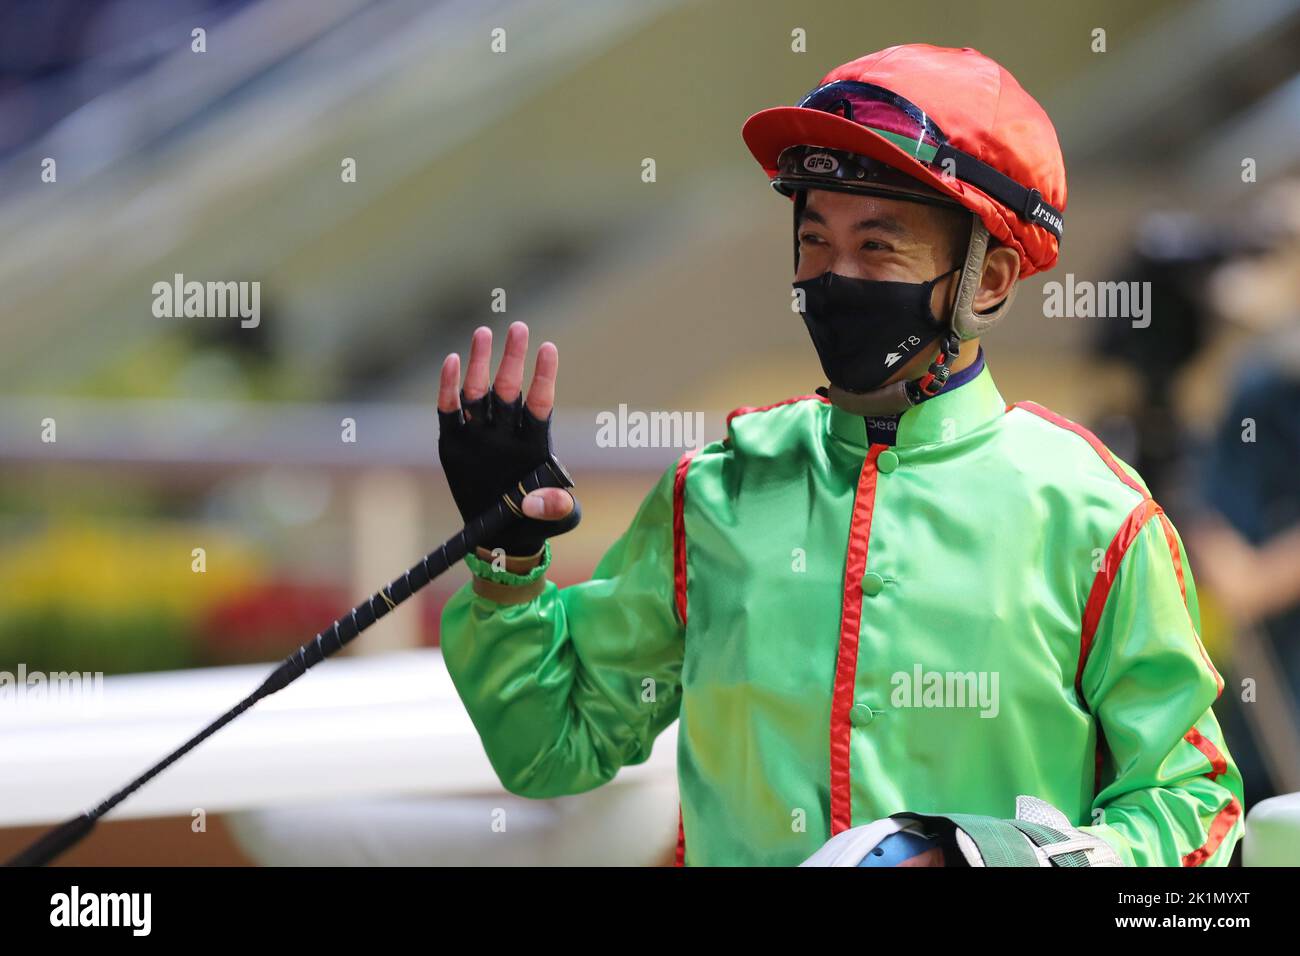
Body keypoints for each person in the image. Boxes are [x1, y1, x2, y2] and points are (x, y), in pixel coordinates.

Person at [435, 44, 1243, 866]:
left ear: (990, 281)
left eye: (879, 247)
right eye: (815, 241)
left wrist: (997, 858)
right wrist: (506, 561)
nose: (834, 276)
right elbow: (552, 751)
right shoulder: (714, 492)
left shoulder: (1096, 515)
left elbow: (1194, 808)